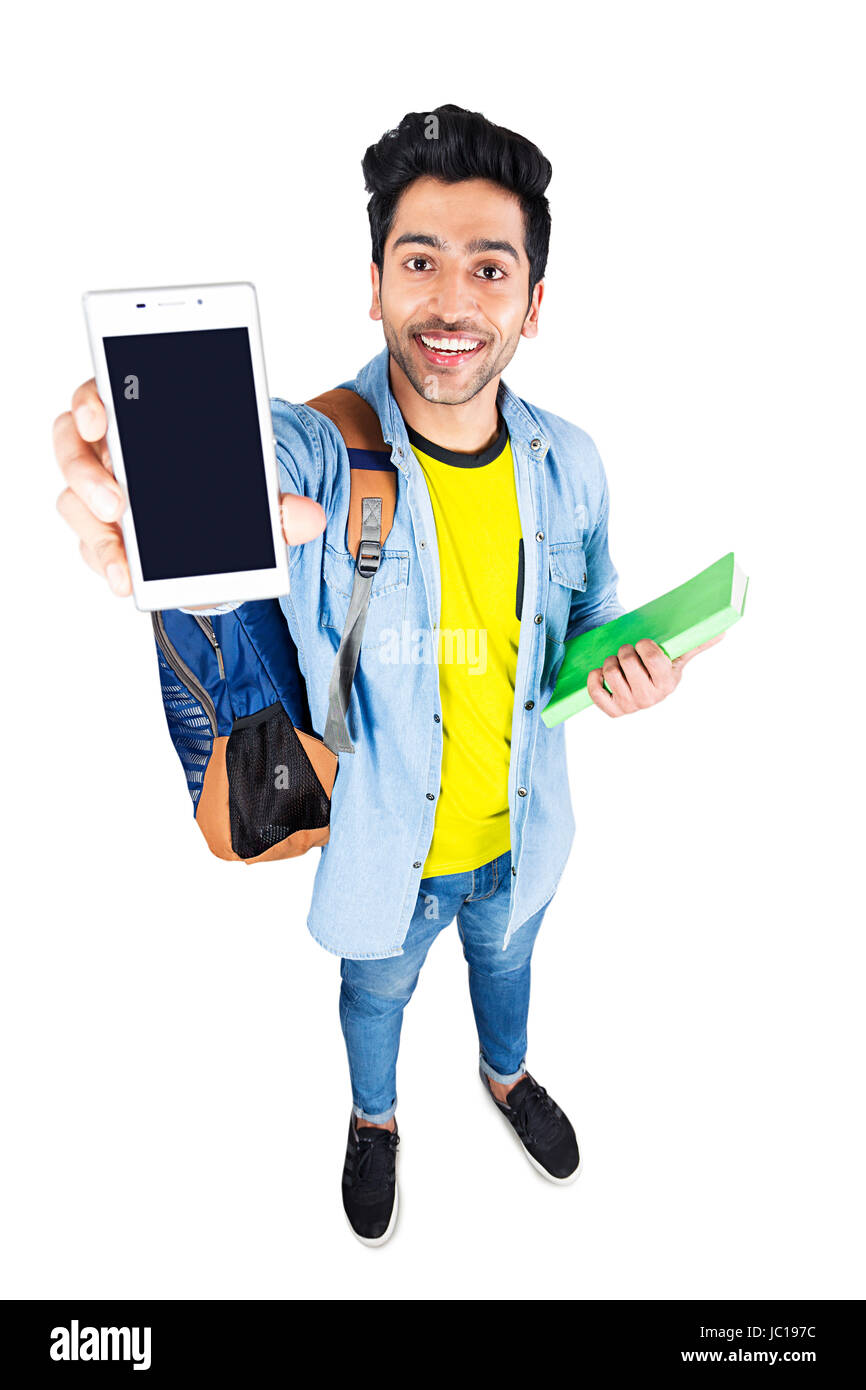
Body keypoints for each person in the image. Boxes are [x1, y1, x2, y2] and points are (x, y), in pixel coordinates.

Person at [53, 104, 721, 1247]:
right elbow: (258, 461)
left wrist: (636, 674)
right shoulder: (325, 448)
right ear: (374, 285)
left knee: (506, 977)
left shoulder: (576, 462)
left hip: (524, 836)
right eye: (418, 261)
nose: (451, 301)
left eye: (487, 267)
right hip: (382, 857)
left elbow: (592, 617)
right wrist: (148, 467)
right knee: (375, 997)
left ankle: (505, 1077)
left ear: (532, 304)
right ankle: (376, 1118)